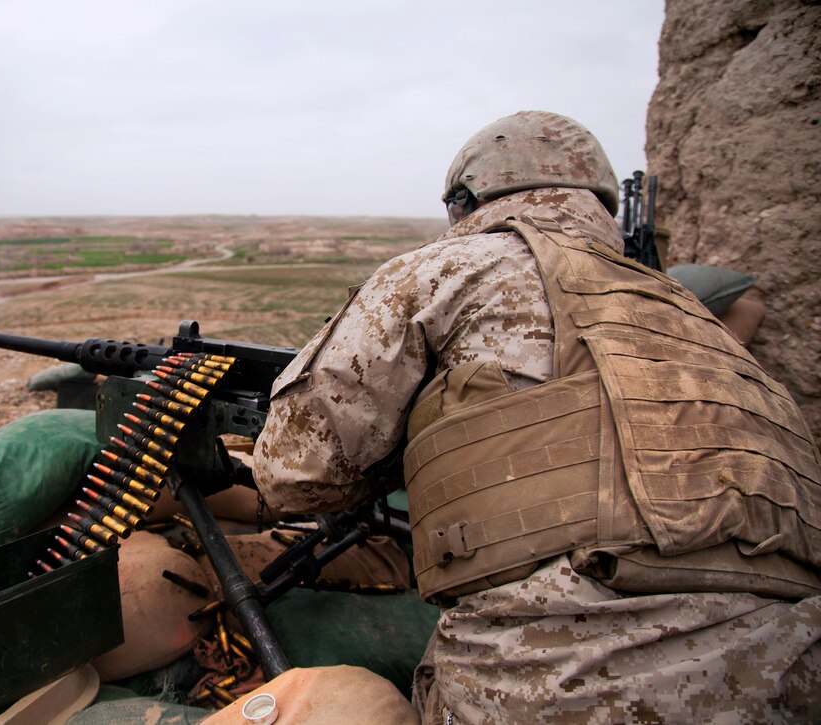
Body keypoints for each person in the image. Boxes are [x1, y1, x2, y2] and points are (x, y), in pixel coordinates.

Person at [252, 111, 821, 723]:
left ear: (466, 199)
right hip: (793, 678)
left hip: (555, 688)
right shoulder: (694, 316)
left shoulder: (444, 270)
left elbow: (295, 475)